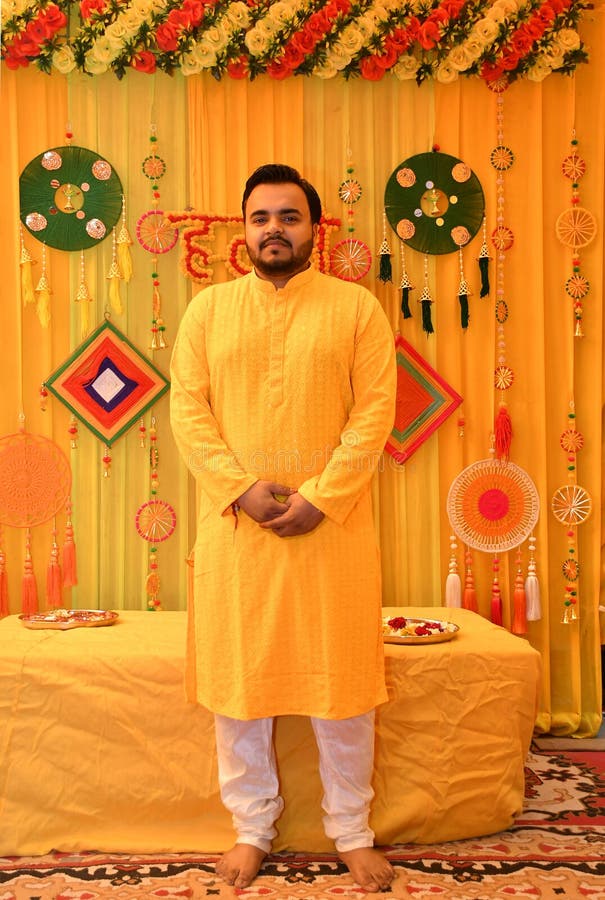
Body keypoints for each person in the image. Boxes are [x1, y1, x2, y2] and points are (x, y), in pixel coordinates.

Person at [170, 163, 397, 893]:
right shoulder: (206, 311)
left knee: (342, 685)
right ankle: (251, 828)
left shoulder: (357, 309)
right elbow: (188, 412)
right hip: (239, 535)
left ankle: (352, 831)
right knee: (240, 686)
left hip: (332, 530)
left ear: (314, 228)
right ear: (243, 229)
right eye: (261, 217)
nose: (274, 229)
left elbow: (373, 416)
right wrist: (240, 490)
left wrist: (320, 498)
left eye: (289, 216)